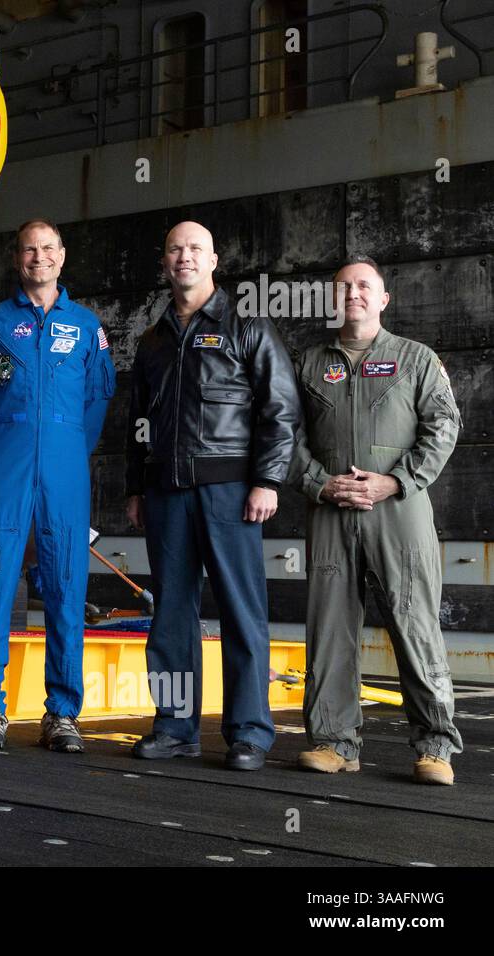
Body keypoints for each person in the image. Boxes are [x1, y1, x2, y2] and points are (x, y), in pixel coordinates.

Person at [124, 221, 300, 771]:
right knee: (171, 615)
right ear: (165, 261)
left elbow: (281, 409)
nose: (185, 258)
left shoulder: (247, 325)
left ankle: (249, 732)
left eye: (195, 249)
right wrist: (136, 487)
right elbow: (138, 422)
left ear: (214, 260)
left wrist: (268, 480)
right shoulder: (152, 340)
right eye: (175, 249)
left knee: (241, 612)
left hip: (231, 492)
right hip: (166, 493)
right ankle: (176, 727)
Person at [289, 257, 462, 785]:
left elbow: (443, 425)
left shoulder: (416, 359)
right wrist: (319, 483)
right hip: (330, 509)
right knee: (330, 627)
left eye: (364, 286)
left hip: (399, 509)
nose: (353, 294)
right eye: (343, 287)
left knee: (414, 623)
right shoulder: (308, 363)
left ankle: (435, 747)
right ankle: (334, 742)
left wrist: (395, 481)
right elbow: (283, 435)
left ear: (383, 299)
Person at [0, 220, 115, 751]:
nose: (39, 257)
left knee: (66, 586)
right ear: (17, 258)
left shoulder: (87, 325)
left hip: (66, 465)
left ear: (62, 256)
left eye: (48, 248)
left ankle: (62, 712)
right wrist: (4, 449)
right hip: (6, 461)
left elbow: (98, 400)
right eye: (29, 249)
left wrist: (68, 447)